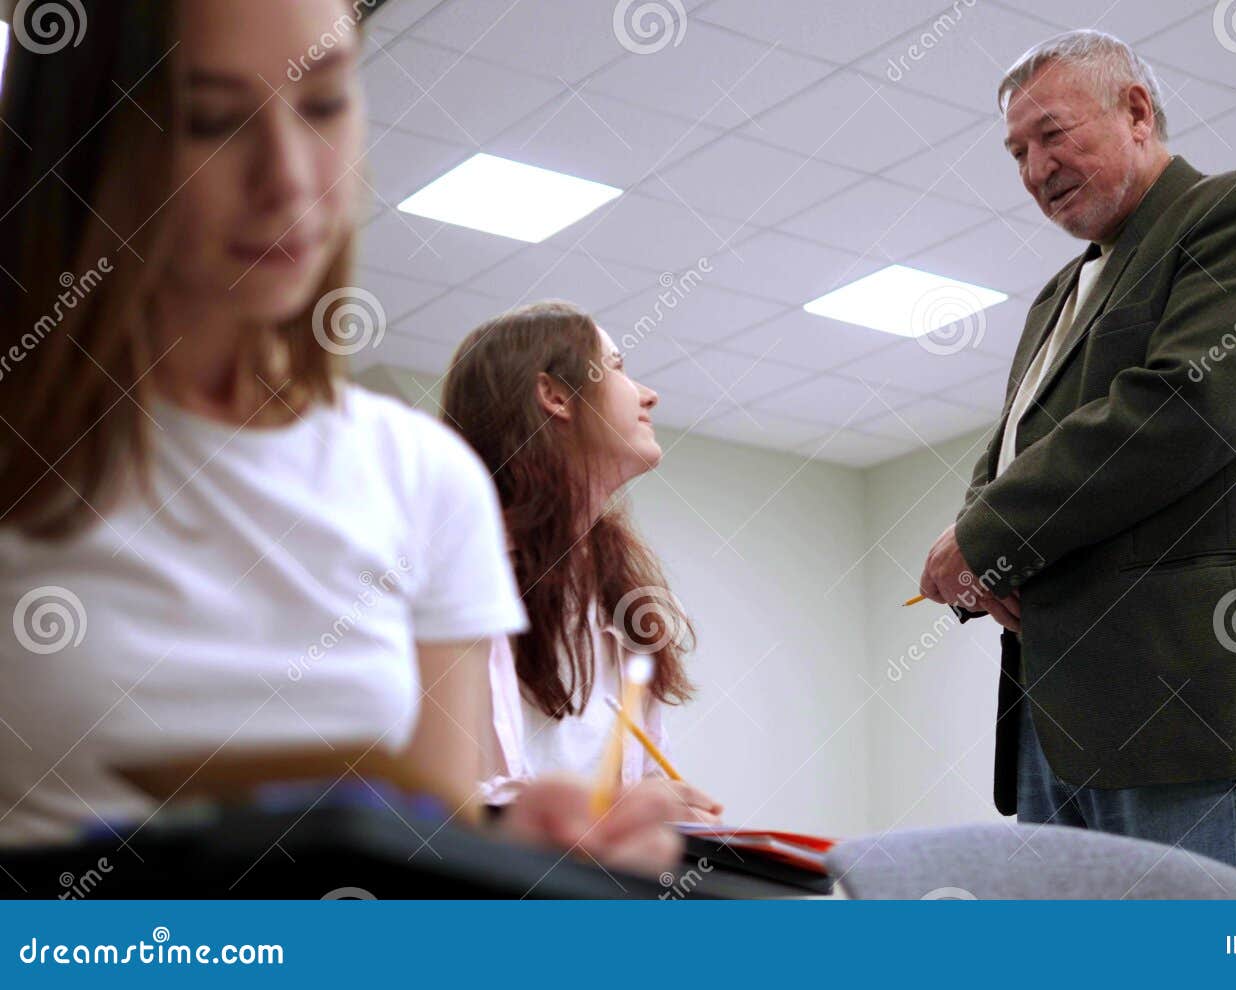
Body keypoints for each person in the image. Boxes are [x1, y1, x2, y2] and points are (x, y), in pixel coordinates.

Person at [0, 0, 686, 872]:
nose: (288, 177)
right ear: (87, 143)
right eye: (212, 119)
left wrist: (520, 858)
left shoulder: (426, 477)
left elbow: (426, 863)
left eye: (323, 104)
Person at [916, 28, 1236, 887]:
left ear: (1137, 112)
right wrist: (980, 540)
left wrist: (990, 532)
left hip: (1179, 700)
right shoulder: (1054, 297)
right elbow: (1013, 445)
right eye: (1017, 152)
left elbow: (1188, 404)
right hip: (1053, 706)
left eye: (1052, 134)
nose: (1035, 168)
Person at [439, 302, 721, 822]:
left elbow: (626, 781)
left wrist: (664, 814)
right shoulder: (439, 572)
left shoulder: (626, 602)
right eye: (616, 366)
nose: (648, 395)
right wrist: (612, 812)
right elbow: (417, 796)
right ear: (555, 395)